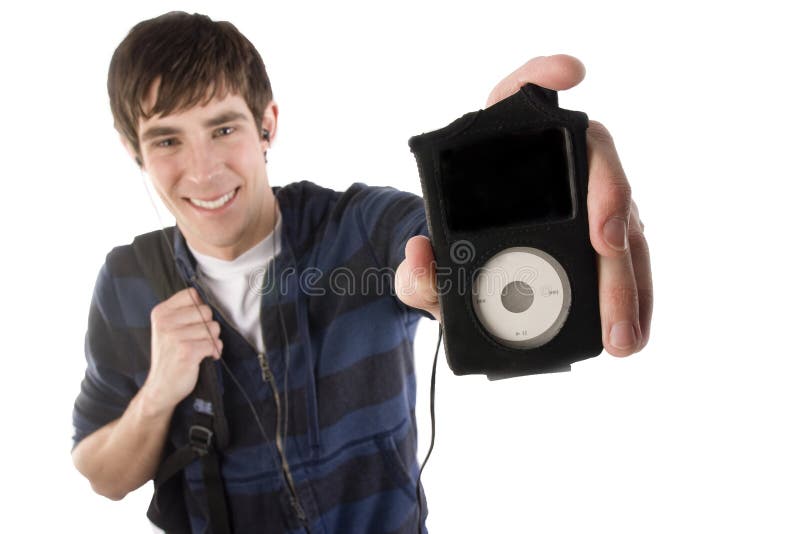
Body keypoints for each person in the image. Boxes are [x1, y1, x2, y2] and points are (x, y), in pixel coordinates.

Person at [71, 11, 652, 534]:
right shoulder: (127, 281)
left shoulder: (359, 227)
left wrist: (514, 182)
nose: (202, 173)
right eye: (167, 140)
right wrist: (158, 393)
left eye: (223, 129)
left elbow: (439, 243)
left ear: (267, 124)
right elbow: (102, 474)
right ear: (133, 149)